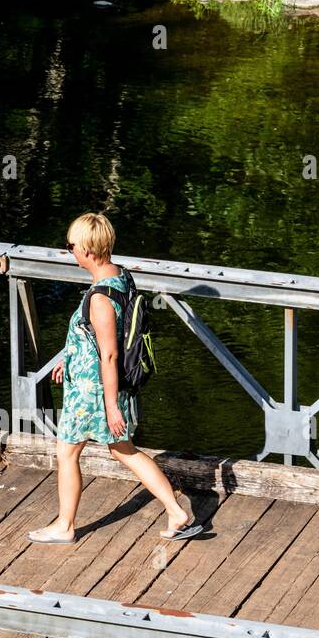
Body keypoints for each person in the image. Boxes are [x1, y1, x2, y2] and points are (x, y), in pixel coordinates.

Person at [28, 212, 201, 545]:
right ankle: (176, 512)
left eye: (71, 246)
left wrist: (111, 406)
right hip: (101, 385)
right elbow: (100, 339)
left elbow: (110, 353)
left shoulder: (100, 299)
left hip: (93, 394)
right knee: (124, 450)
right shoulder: (120, 277)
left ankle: (65, 526)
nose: (70, 252)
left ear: (89, 250)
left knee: (67, 453)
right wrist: (70, 356)